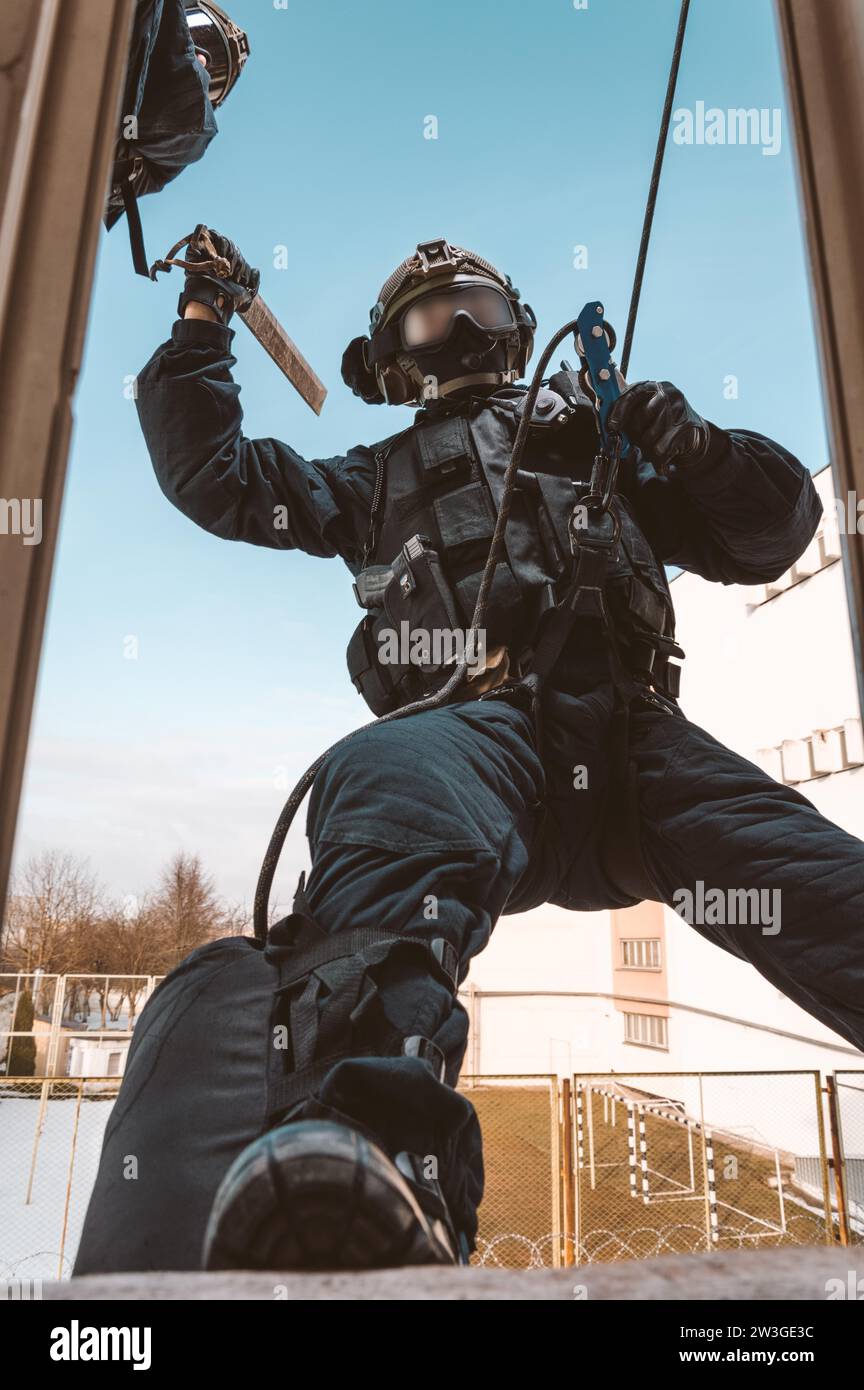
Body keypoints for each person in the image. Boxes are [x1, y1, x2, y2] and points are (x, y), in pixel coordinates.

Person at [121, 232, 864, 1271]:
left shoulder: (605, 440)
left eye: (473, 305)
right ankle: (375, 1170)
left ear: (514, 325)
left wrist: (695, 447)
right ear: (395, 359)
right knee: (377, 779)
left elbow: (777, 534)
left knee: (813, 874)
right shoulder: (370, 479)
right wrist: (205, 318)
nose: (458, 328)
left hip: (637, 741)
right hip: (481, 742)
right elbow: (217, 473)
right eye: (431, 317)